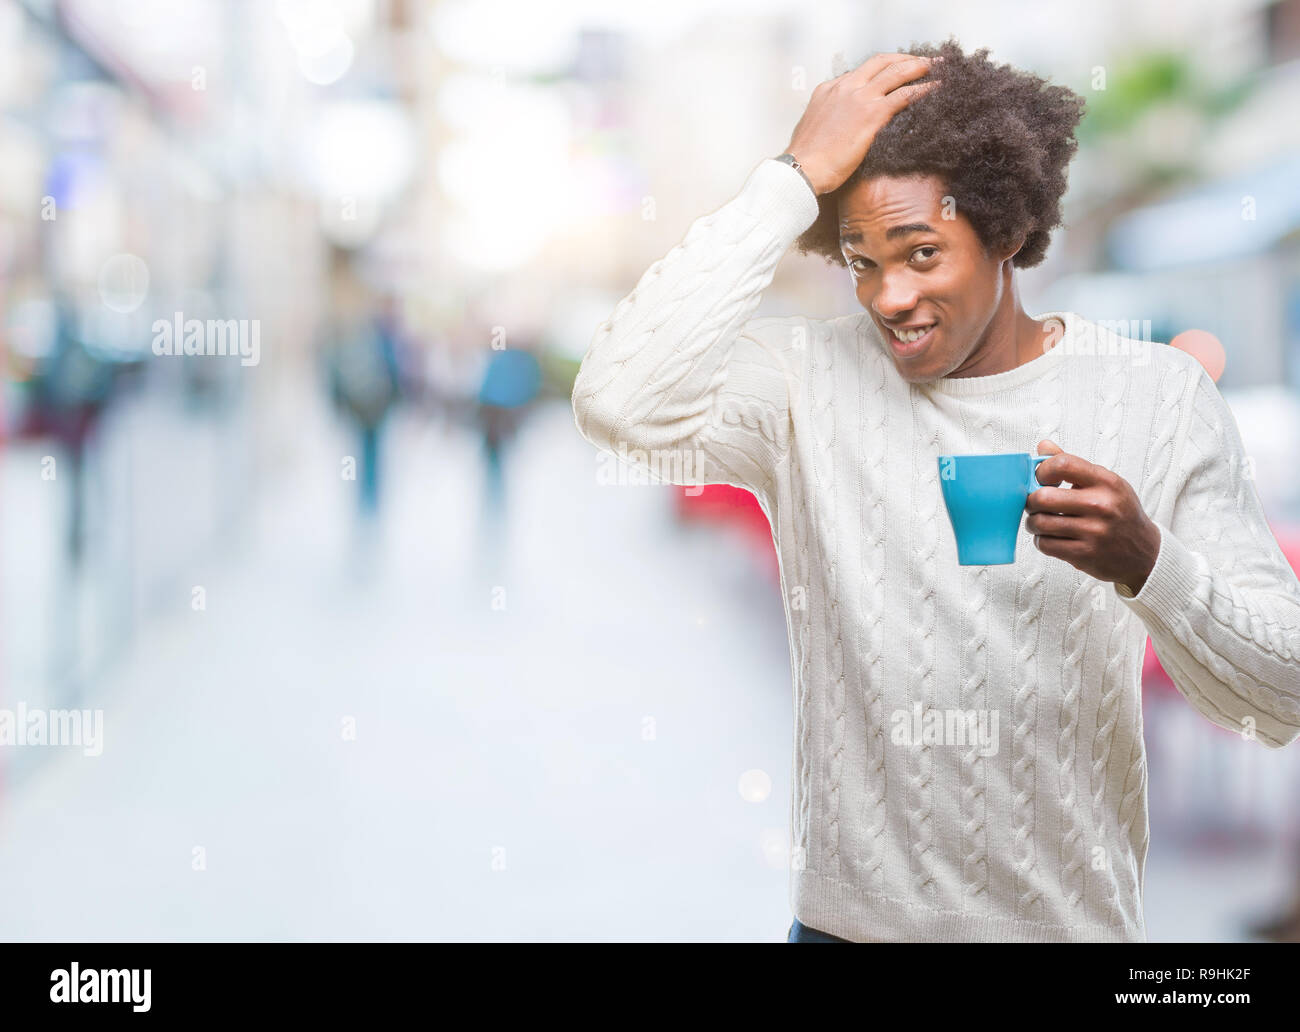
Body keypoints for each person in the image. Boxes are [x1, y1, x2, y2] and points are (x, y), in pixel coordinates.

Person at [570, 38, 1300, 943]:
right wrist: (790, 181)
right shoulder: (807, 385)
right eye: (861, 259)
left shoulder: (1155, 396)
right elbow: (615, 398)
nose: (888, 295)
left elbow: (1281, 695)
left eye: (921, 253)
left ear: (1003, 233)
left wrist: (1149, 565)